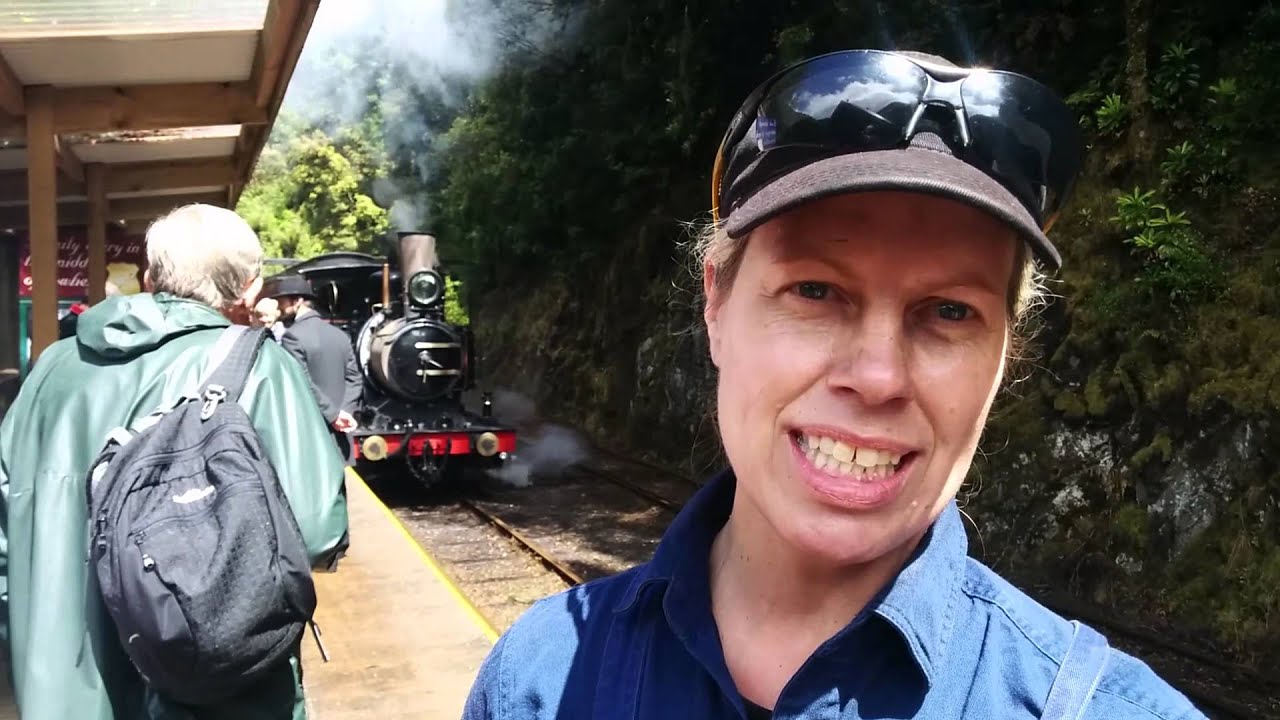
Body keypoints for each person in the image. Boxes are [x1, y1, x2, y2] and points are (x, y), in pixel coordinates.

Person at [463, 50, 1207, 719]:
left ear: (1006, 351)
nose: (879, 377)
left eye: (951, 311)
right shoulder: (535, 686)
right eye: (815, 291)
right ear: (716, 303)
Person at [0, 203, 350, 719]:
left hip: (58, 695)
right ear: (250, 288)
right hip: (212, 695)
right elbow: (317, 531)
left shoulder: (51, 367)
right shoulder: (260, 367)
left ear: (149, 278)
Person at [267, 274, 362, 460]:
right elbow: (354, 379)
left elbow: (301, 383)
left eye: (281, 302)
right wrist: (344, 412)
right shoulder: (339, 335)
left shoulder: (292, 337)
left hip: (312, 437)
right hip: (341, 438)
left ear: (298, 301)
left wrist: (333, 416)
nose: (278, 308)